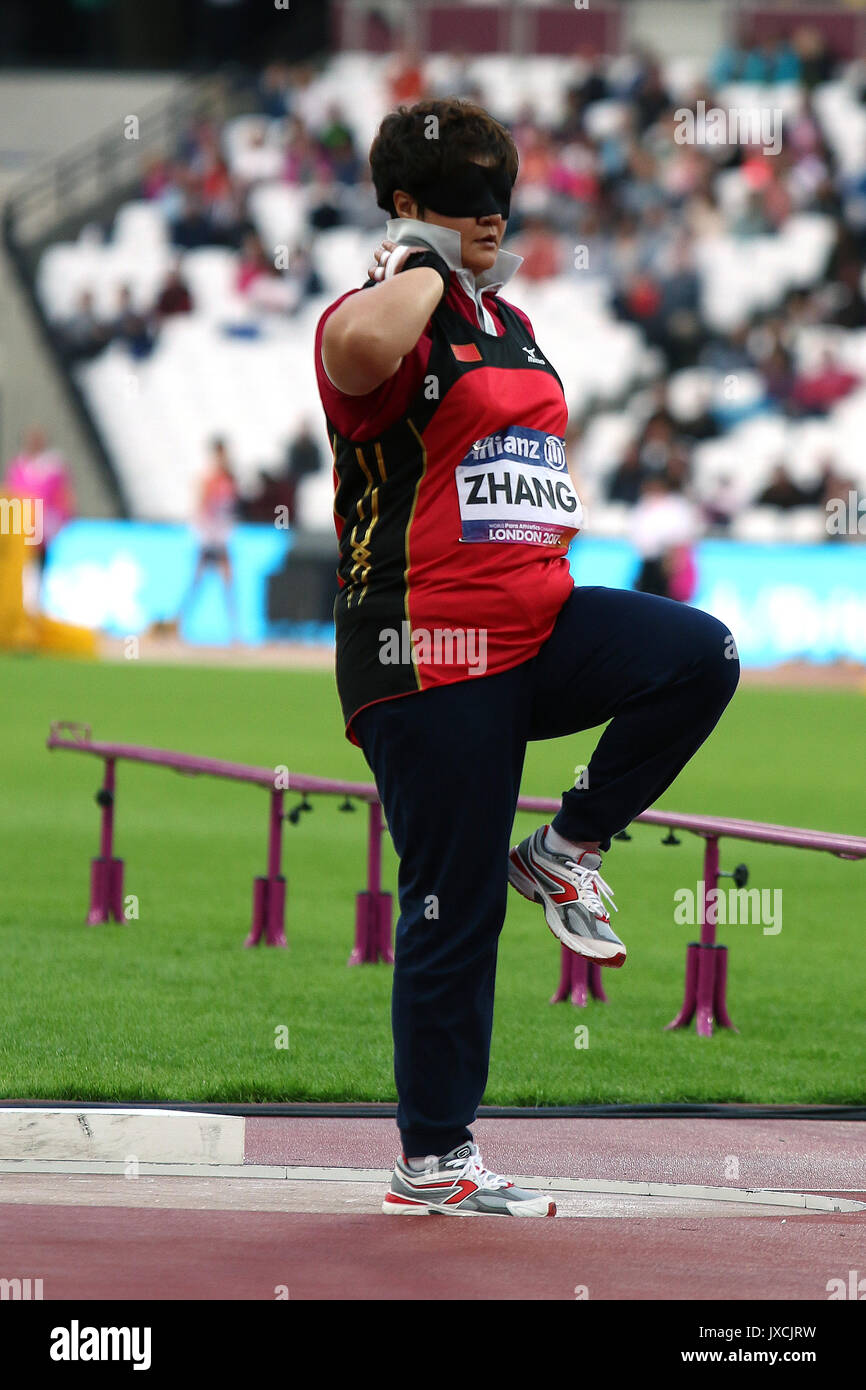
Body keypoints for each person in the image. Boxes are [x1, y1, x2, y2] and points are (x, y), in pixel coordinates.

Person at [315, 97, 739, 1218]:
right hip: (423, 648)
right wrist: (421, 261)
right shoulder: (375, 311)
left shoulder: (509, 323)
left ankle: (565, 845)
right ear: (408, 208)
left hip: (534, 626)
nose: (490, 215)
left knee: (696, 654)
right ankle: (434, 1158)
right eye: (462, 199)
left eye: (499, 195)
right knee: (452, 904)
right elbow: (360, 353)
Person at [175, 439, 240, 639]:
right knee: (197, 581)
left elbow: (232, 508)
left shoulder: (229, 480)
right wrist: (202, 532)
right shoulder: (209, 480)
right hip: (209, 537)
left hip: (221, 537)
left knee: (228, 582)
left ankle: (235, 630)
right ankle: (179, 621)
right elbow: (201, 506)